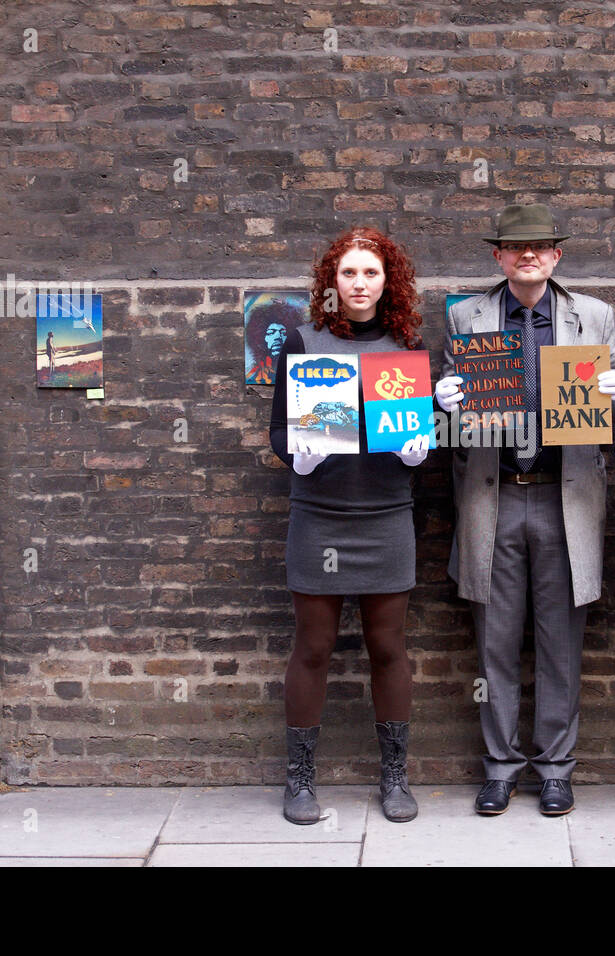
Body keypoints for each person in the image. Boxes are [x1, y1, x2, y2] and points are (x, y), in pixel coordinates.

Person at [434, 204, 615, 816]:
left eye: (541, 246)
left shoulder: (594, 316)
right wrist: (443, 399)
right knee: (494, 643)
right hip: (492, 494)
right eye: (516, 247)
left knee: (560, 643)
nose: (529, 255)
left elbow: (614, 402)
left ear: (557, 256)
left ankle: (554, 768)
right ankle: (500, 767)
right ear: (497, 255)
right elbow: (452, 408)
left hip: (563, 495)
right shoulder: (466, 316)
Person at [269, 226, 431, 825]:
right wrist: (298, 455)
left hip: (387, 513)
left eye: (370, 273)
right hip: (319, 514)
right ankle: (300, 781)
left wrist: (420, 448)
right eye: (348, 273)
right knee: (312, 647)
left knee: (388, 646)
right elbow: (279, 430)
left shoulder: (404, 346)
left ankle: (394, 777)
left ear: (388, 281)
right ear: (331, 283)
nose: (359, 283)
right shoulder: (306, 342)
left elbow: (416, 432)